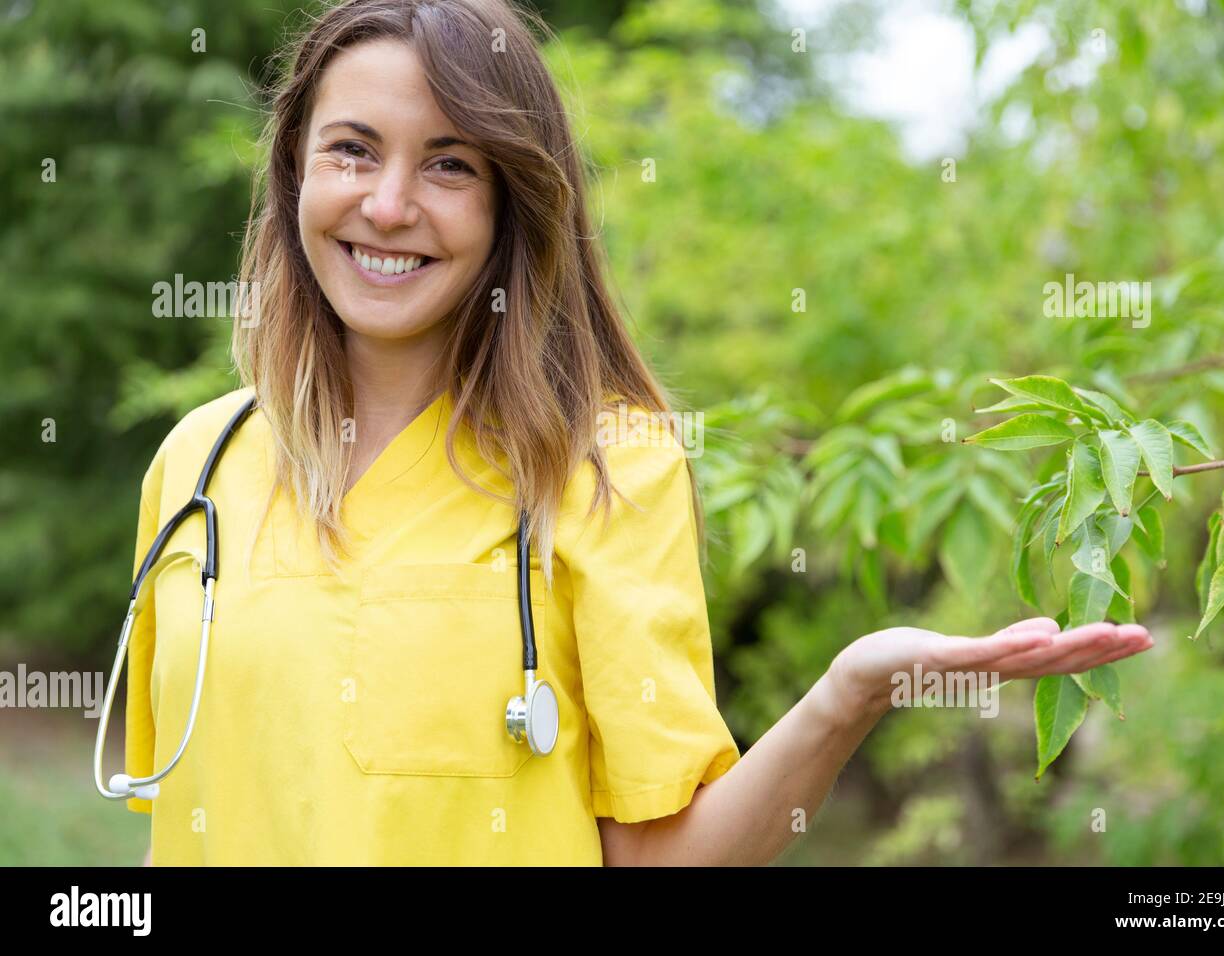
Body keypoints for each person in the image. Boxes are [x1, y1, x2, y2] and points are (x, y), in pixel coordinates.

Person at [123, 0, 1153, 866]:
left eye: (448, 166)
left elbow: (661, 855)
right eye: (352, 151)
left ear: (510, 206)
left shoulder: (604, 470)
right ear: (295, 173)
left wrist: (849, 694)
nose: (388, 205)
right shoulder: (195, 468)